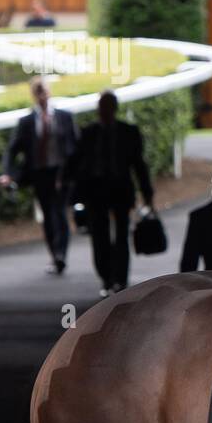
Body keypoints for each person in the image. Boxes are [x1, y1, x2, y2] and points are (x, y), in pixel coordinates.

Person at [68, 91, 154, 297]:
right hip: (96, 191)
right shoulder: (89, 133)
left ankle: (120, 279)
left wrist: (147, 192)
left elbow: (138, 165)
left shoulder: (128, 132)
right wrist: (70, 189)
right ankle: (107, 277)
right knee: (99, 235)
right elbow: (77, 161)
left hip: (119, 189)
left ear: (113, 109)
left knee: (121, 235)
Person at [0, 76, 78, 275]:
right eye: (38, 91)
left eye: (44, 91)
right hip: (40, 173)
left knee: (59, 212)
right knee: (48, 215)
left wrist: (73, 171)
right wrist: (8, 173)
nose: (42, 95)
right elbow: (12, 149)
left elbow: (75, 147)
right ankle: (55, 253)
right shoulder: (27, 122)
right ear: (34, 95)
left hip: (61, 172)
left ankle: (61, 254)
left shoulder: (64, 117)